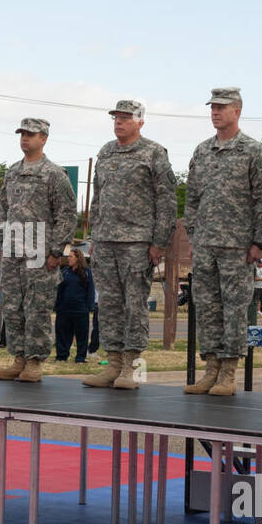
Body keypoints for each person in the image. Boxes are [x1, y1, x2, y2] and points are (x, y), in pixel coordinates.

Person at [181, 87, 262, 397]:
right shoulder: (202, 151)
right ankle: (210, 370)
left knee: (234, 309)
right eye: (213, 107)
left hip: (238, 247)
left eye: (222, 107)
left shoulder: (253, 152)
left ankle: (228, 373)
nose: (215, 112)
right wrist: (194, 235)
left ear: (237, 111)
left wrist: (259, 242)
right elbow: (192, 197)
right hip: (206, 245)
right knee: (207, 308)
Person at [84, 100, 177, 389]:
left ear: (140, 121)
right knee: (109, 306)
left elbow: (166, 200)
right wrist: (94, 237)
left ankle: (133, 369)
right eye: (116, 117)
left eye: (125, 118)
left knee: (134, 306)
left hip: (138, 241)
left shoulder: (154, 153)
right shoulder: (106, 151)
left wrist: (159, 242)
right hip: (106, 240)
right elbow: (97, 198)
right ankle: (112, 364)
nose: (118, 122)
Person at [0, 117, 76, 382]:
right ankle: (18, 358)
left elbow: (66, 215)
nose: (25, 138)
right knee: (13, 307)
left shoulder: (54, 174)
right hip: (12, 252)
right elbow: (2, 209)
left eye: (31, 134)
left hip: (40, 253)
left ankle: (35, 361)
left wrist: (56, 251)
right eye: (22, 134)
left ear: (44, 139)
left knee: (37, 307)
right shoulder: (12, 172)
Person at [55, 247, 96, 362]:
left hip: (80, 309)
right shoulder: (65, 271)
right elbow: (59, 289)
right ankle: (61, 356)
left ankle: (80, 357)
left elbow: (90, 290)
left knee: (82, 335)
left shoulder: (87, 272)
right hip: (64, 309)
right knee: (63, 334)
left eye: (71, 256)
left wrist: (89, 306)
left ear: (78, 258)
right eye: (68, 256)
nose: (68, 259)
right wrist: (57, 305)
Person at [251, 260, 262, 325]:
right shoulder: (254, 269)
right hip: (255, 287)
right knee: (255, 299)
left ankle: (258, 311)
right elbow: (253, 278)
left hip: (261, 286)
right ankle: (253, 311)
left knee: (259, 299)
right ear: (258, 263)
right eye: (261, 263)